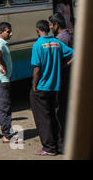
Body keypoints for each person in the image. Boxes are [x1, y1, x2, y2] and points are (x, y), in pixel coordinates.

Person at [30, 20, 74, 156]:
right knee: (53, 116)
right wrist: (62, 67)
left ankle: (49, 148)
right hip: (54, 86)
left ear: (38, 30)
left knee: (43, 118)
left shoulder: (37, 44)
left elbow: (36, 68)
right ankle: (59, 145)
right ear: (47, 29)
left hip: (41, 86)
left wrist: (34, 85)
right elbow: (74, 54)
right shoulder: (57, 42)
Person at [48, 12, 73, 149]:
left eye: (51, 25)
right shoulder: (69, 34)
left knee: (60, 111)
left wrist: (62, 66)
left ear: (56, 25)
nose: (51, 27)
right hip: (67, 78)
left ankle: (62, 142)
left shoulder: (61, 39)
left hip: (63, 79)